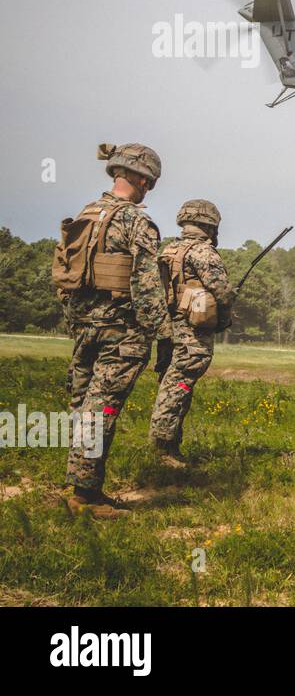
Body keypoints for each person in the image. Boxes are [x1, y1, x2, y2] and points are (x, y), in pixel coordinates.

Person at [59, 143, 168, 518]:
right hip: (119, 333)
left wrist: (76, 320)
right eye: (148, 183)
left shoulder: (85, 214)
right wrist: (160, 331)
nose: (147, 189)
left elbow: (65, 275)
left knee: (82, 405)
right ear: (140, 179)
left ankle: (84, 486)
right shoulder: (137, 222)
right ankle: (85, 496)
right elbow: (148, 283)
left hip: (84, 327)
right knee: (100, 410)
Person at [150, 199, 234, 467]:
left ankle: (170, 446)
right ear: (210, 225)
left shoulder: (169, 250)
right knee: (178, 387)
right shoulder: (203, 253)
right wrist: (229, 302)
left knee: (170, 384)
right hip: (192, 334)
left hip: (169, 329)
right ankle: (162, 449)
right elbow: (221, 291)